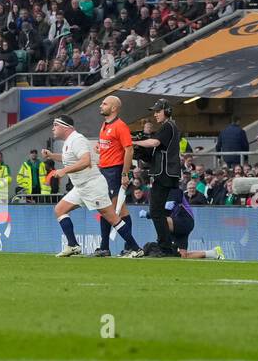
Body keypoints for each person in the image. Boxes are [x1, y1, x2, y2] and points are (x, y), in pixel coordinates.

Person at [42, 115, 143, 258]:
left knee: (112, 218)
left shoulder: (77, 140)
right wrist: (52, 156)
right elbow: (68, 158)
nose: (53, 128)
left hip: (92, 185)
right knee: (60, 210)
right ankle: (73, 245)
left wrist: (64, 171)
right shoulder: (69, 142)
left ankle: (136, 249)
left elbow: (85, 161)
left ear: (65, 127)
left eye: (55, 125)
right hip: (80, 186)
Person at [134, 99, 184, 256]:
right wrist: (140, 147)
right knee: (159, 212)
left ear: (167, 111)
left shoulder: (168, 126)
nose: (155, 114)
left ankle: (165, 247)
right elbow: (154, 153)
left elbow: (155, 142)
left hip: (164, 174)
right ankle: (166, 245)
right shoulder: (168, 127)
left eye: (158, 111)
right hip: (165, 173)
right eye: (154, 111)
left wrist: (135, 141)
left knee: (156, 211)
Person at [94, 95, 135, 256]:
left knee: (111, 209)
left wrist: (124, 173)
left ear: (113, 108)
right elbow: (109, 145)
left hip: (114, 171)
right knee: (112, 209)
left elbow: (129, 149)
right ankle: (113, 246)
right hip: (104, 170)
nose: (100, 106)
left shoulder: (120, 126)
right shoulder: (104, 124)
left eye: (104, 103)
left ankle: (112, 246)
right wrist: (100, 148)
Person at [143, 183, 225, 260]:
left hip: (184, 221)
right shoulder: (164, 193)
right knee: (182, 255)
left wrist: (148, 214)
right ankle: (213, 253)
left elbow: (166, 210)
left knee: (161, 221)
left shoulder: (175, 191)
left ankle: (161, 246)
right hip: (179, 224)